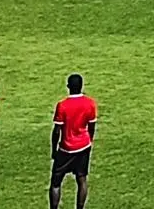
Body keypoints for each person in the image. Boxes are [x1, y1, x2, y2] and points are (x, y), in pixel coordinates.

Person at [49, 76, 97, 209]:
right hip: (83, 146)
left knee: (56, 182)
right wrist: (90, 140)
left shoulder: (63, 105)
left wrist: (54, 149)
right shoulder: (90, 103)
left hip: (66, 148)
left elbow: (57, 131)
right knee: (82, 179)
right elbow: (91, 126)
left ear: (68, 86)